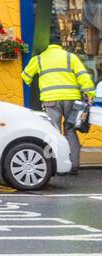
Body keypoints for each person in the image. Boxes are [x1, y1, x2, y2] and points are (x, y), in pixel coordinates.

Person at [22, 28, 97, 175]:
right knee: (70, 130)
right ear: (60, 45)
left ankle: (56, 165)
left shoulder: (39, 58)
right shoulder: (70, 57)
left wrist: (35, 82)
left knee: (53, 131)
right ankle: (74, 165)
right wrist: (89, 93)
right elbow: (84, 76)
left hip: (50, 99)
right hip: (71, 99)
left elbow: (25, 76)